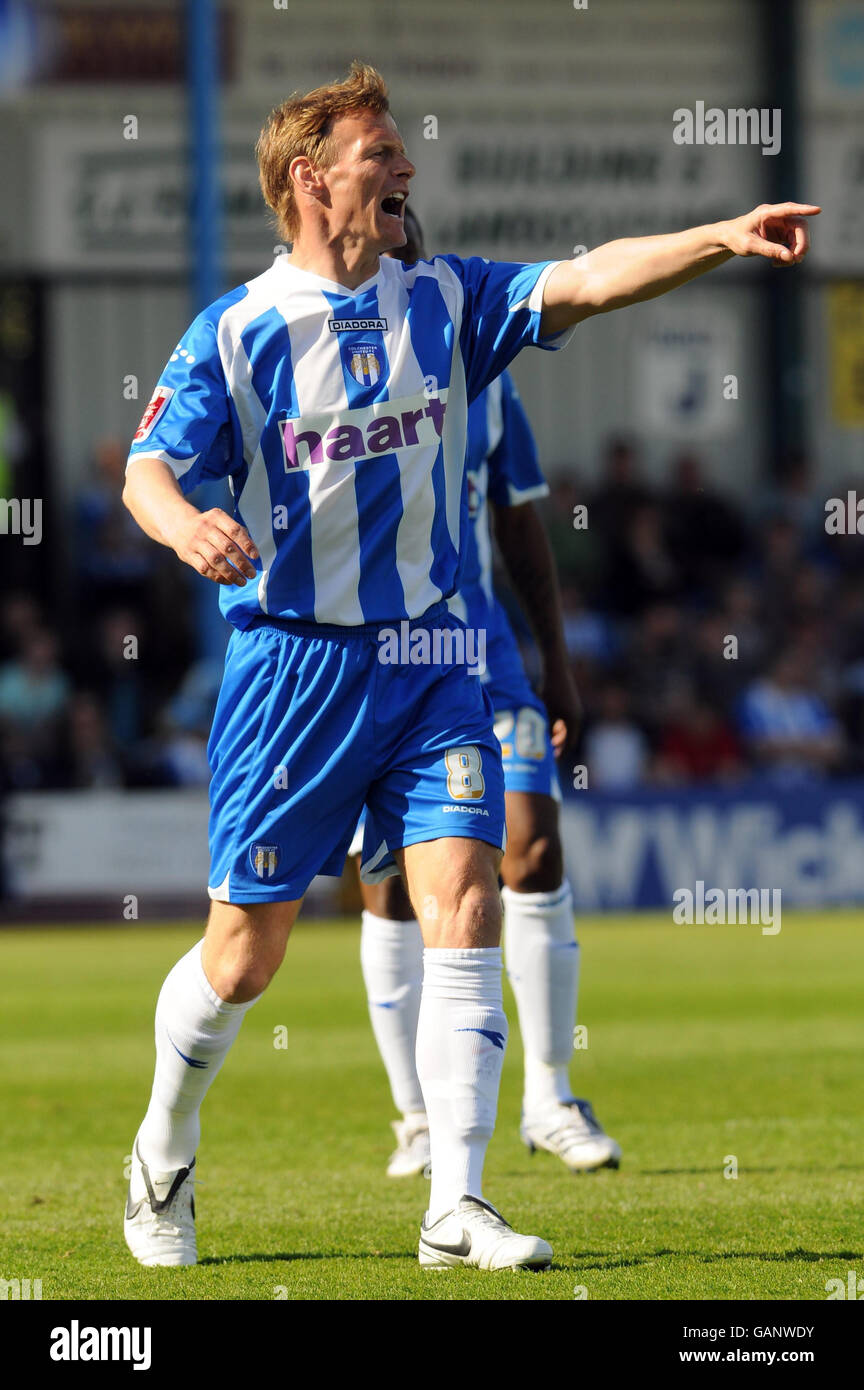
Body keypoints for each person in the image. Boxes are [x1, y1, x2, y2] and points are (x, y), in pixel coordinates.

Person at [120, 60, 818, 1273]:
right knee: (248, 952)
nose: (405, 167)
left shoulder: (444, 297)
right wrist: (187, 527)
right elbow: (146, 471)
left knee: (467, 896)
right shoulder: (236, 332)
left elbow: (591, 277)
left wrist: (719, 231)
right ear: (309, 178)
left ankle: (457, 1203)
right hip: (294, 673)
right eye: (379, 153)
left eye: (401, 151)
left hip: (441, 658)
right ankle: (162, 1148)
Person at [354, 209, 619, 1181]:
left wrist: (557, 656)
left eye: (414, 248)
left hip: (483, 650)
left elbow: (520, 524)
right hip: (372, 656)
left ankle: (550, 1093)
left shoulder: (483, 372)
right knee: (389, 881)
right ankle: (417, 1117)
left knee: (533, 846)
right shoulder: (313, 369)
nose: (405, 259)